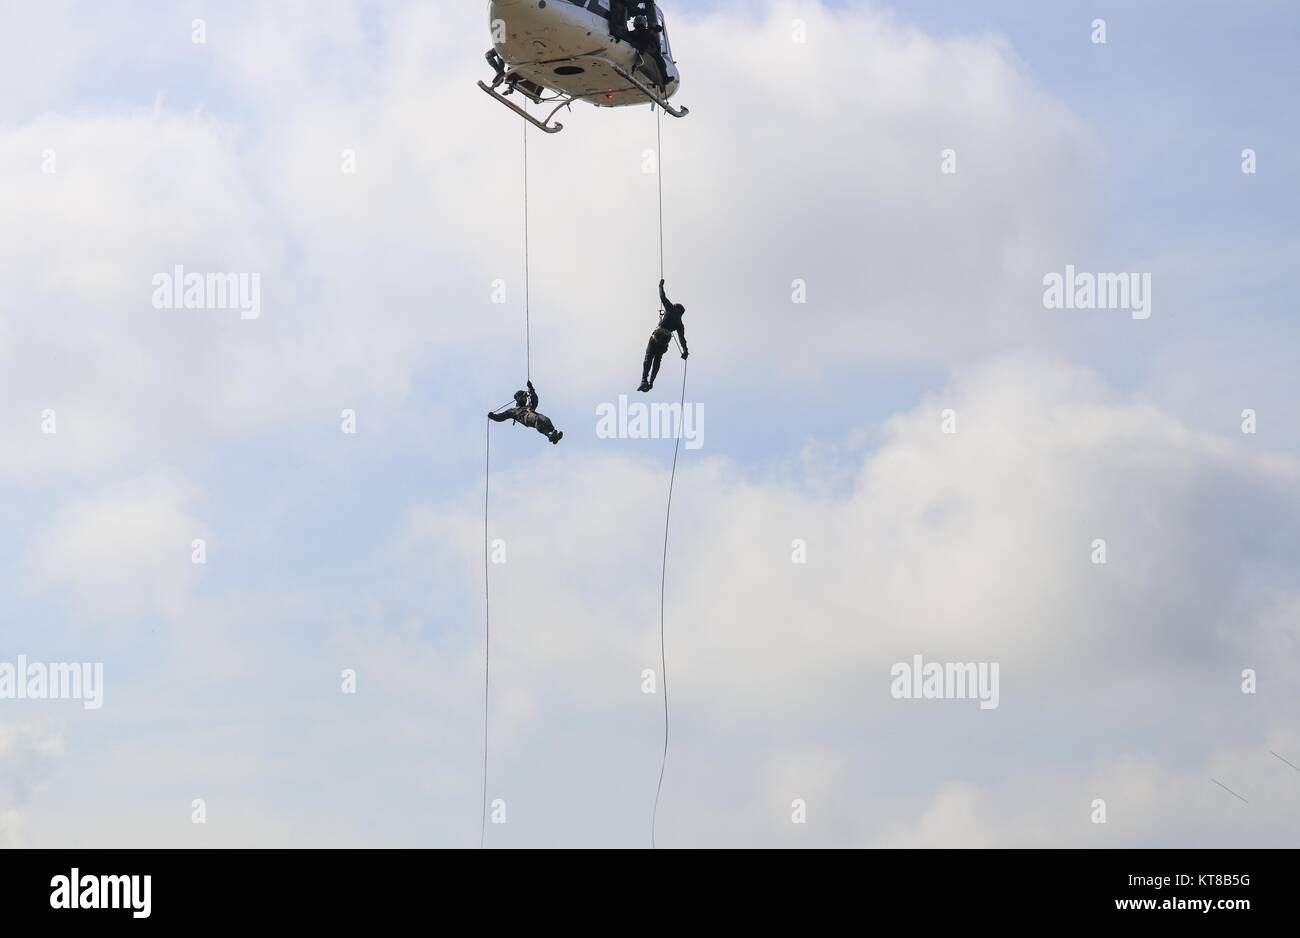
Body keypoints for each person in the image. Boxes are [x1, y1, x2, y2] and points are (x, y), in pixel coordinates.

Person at [638, 279, 689, 392]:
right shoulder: (680, 324)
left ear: (675, 307)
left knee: (648, 358)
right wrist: (685, 351)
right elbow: (682, 340)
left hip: (655, 340)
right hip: (663, 345)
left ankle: (643, 380)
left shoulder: (670, 309)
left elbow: (663, 297)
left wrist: (660, 285)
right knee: (657, 361)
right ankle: (651, 382)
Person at [489, 381, 563, 444]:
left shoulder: (529, 406)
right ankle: (549, 435)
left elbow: (535, 400)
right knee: (537, 420)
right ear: (518, 398)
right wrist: (493, 416)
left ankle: (553, 434)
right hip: (525, 417)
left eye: (526, 398)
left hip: (534, 414)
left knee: (545, 419)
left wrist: (531, 389)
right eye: (523, 397)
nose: (525, 399)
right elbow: (502, 417)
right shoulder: (513, 411)